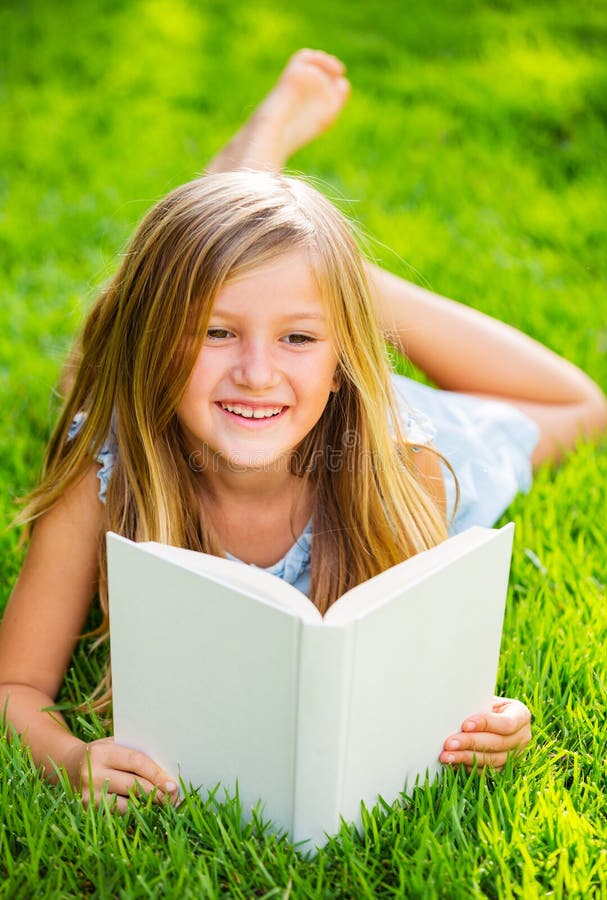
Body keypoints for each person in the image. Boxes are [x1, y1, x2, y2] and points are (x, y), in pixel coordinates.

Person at [1, 50, 605, 815]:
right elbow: (14, 686)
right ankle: (273, 239)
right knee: (93, 377)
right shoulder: (107, 475)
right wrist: (65, 757)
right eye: (215, 330)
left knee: (585, 408)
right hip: (212, 396)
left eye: (298, 335)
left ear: (342, 354)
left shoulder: (403, 466)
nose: (256, 373)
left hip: (353, 423)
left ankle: (338, 278)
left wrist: (494, 721)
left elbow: (430, 685)